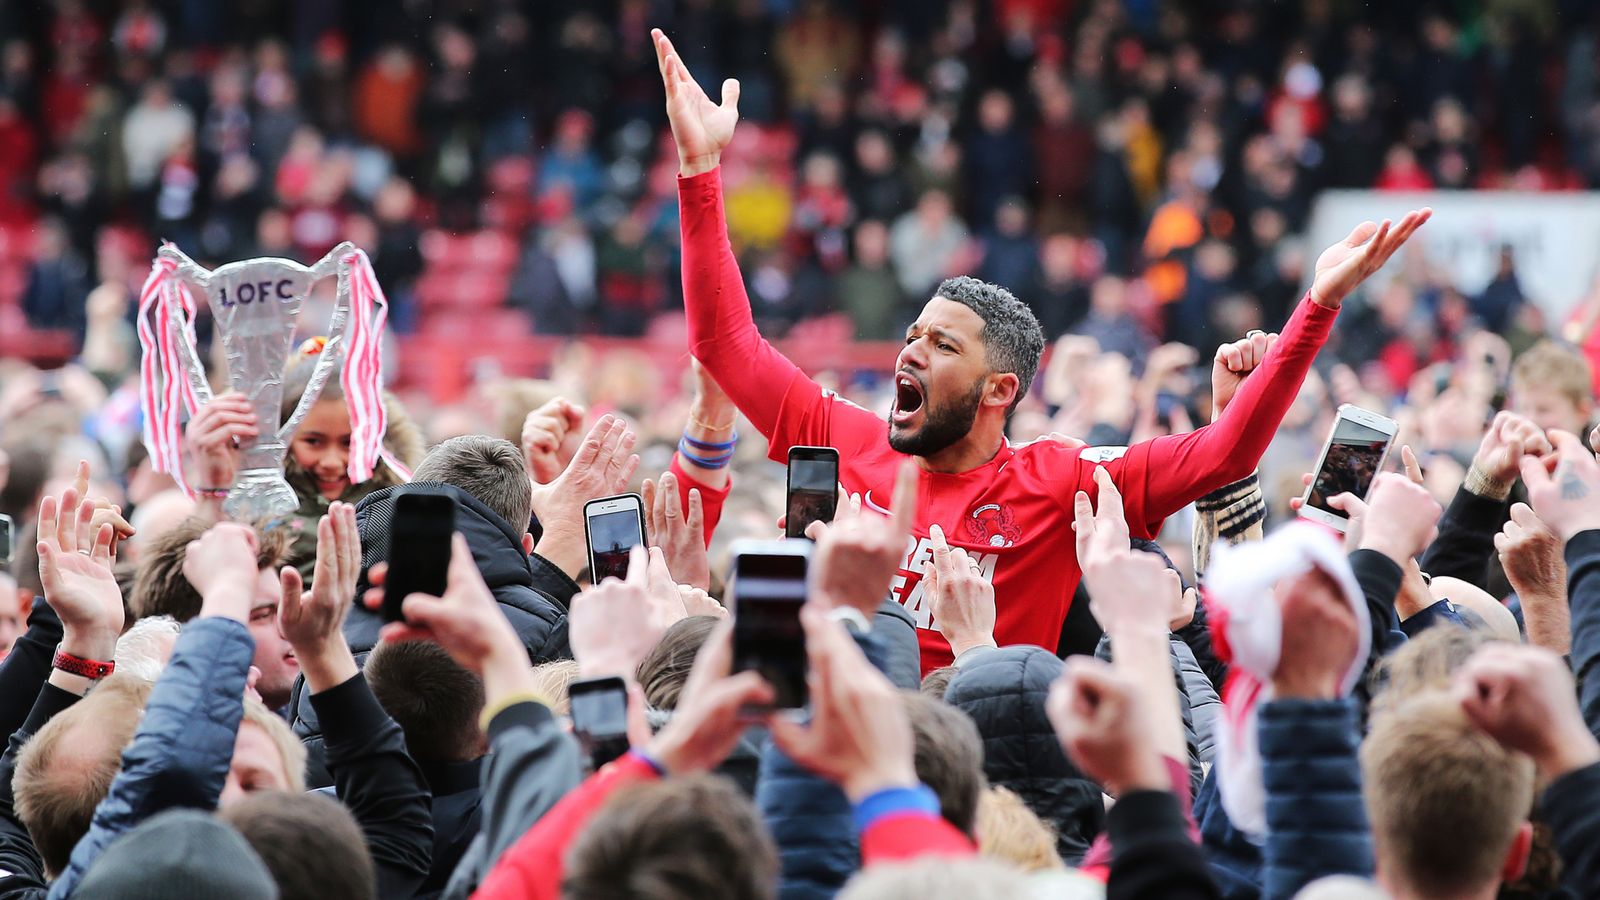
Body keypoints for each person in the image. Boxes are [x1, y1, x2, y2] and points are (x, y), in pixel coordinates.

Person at [651, 28, 1432, 671]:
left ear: (997, 390)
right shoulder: (841, 436)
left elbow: (1225, 457)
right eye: (914, 334)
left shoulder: (1061, 483)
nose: (911, 352)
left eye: (942, 345)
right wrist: (699, 171)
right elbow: (723, 344)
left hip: (991, 782)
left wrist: (1317, 306)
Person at [183, 338, 425, 576]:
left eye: (349, 443)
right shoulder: (247, 504)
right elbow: (195, 583)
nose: (332, 461)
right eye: (314, 442)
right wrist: (212, 488)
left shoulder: (402, 505)